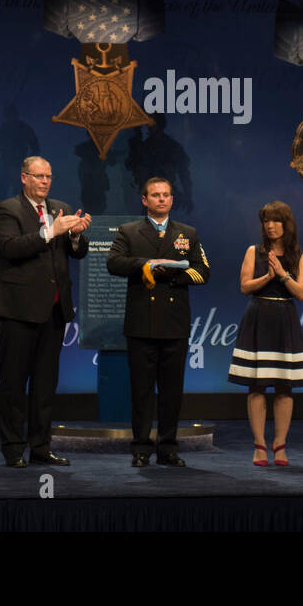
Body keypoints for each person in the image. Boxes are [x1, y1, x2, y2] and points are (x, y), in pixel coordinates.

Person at [0, 156, 90, 467]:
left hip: (53, 310)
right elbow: (9, 248)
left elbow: (77, 251)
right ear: (24, 178)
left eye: (48, 176)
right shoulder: (6, 210)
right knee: (14, 385)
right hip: (17, 311)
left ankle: (41, 447)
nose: (45, 181)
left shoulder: (59, 206)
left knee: (45, 385)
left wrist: (74, 235)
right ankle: (13, 449)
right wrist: (51, 232)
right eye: (38, 176)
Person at [107, 176, 209, 467]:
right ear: (144, 200)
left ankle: (168, 448)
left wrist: (174, 273)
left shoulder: (187, 233)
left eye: (166, 195)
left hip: (174, 323)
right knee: (141, 391)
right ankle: (140, 448)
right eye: (155, 195)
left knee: (171, 391)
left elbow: (204, 271)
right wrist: (144, 265)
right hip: (141, 324)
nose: (161, 199)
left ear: (172, 199)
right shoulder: (129, 231)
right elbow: (113, 263)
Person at [229, 201, 303, 466]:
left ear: (286, 224)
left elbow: (301, 293)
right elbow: (244, 287)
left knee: (285, 387)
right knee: (257, 385)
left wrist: (283, 274)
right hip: (259, 316)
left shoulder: (298, 254)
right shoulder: (254, 251)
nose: (271, 225)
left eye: (276, 220)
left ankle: (281, 444)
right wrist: (267, 277)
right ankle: (259, 445)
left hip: (285, 318)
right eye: (266, 221)